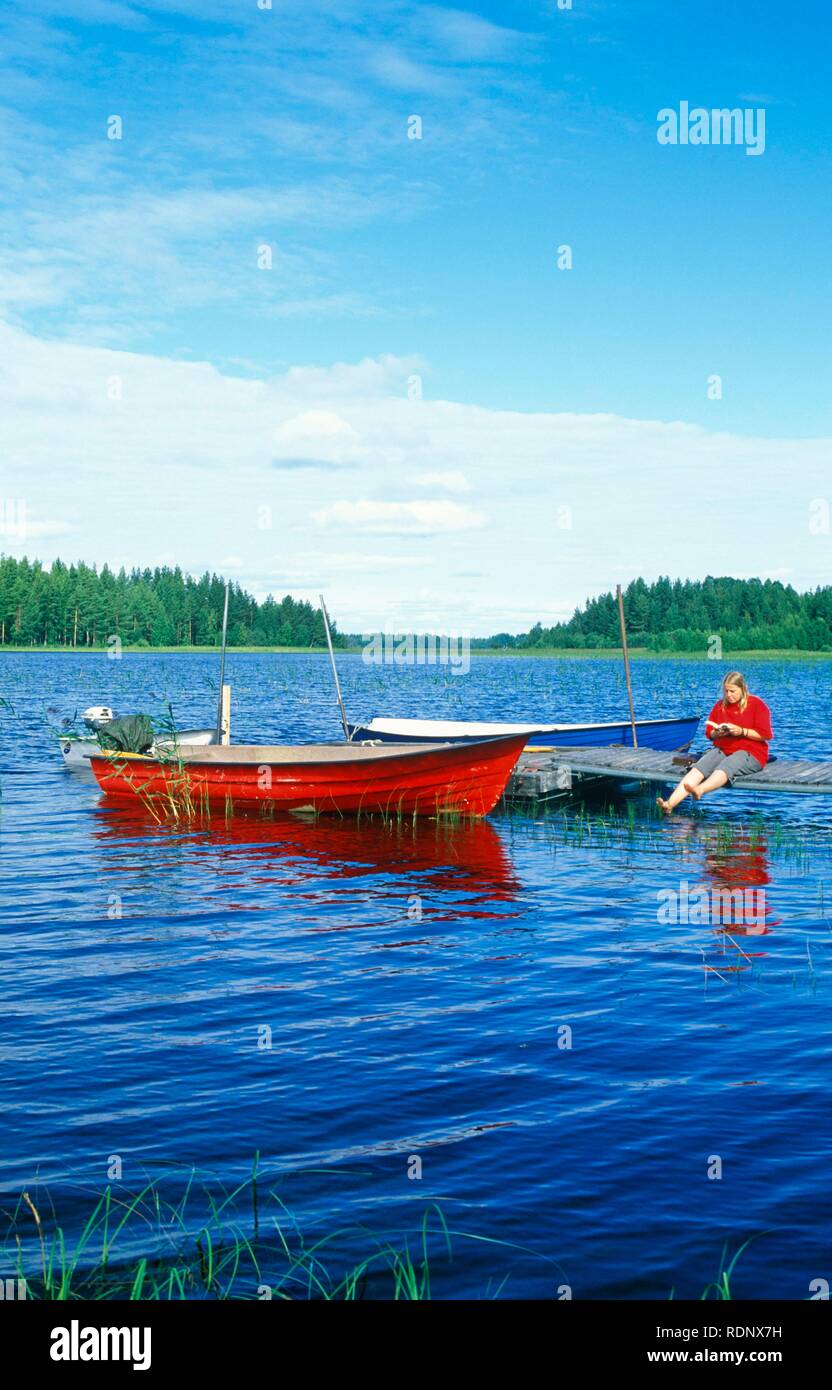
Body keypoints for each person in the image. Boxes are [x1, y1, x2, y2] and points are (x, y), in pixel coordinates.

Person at [657, 671, 772, 814]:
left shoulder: (757, 705)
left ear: (743, 688)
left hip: (750, 752)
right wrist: (716, 733)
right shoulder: (720, 706)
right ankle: (670, 804)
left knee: (727, 765)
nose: (729, 695)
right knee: (700, 767)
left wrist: (742, 731)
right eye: (726, 691)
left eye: (732, 691)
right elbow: (709, 733)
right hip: (724, 748)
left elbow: (765, 734)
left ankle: (700, 790)